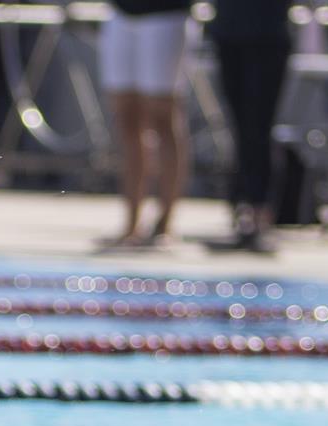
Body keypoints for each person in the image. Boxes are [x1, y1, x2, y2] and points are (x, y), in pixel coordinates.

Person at [98, 0, 196, 248]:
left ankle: (165, 222)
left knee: (163, 115)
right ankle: (131, 223)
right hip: (122, 13)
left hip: (165, 14)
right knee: (126, 117)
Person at [209, 0, 295, 253]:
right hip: (229, 32)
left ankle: (260, 213)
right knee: (239, 128)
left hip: (266, 35)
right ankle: (241, 207)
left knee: (258, 128)